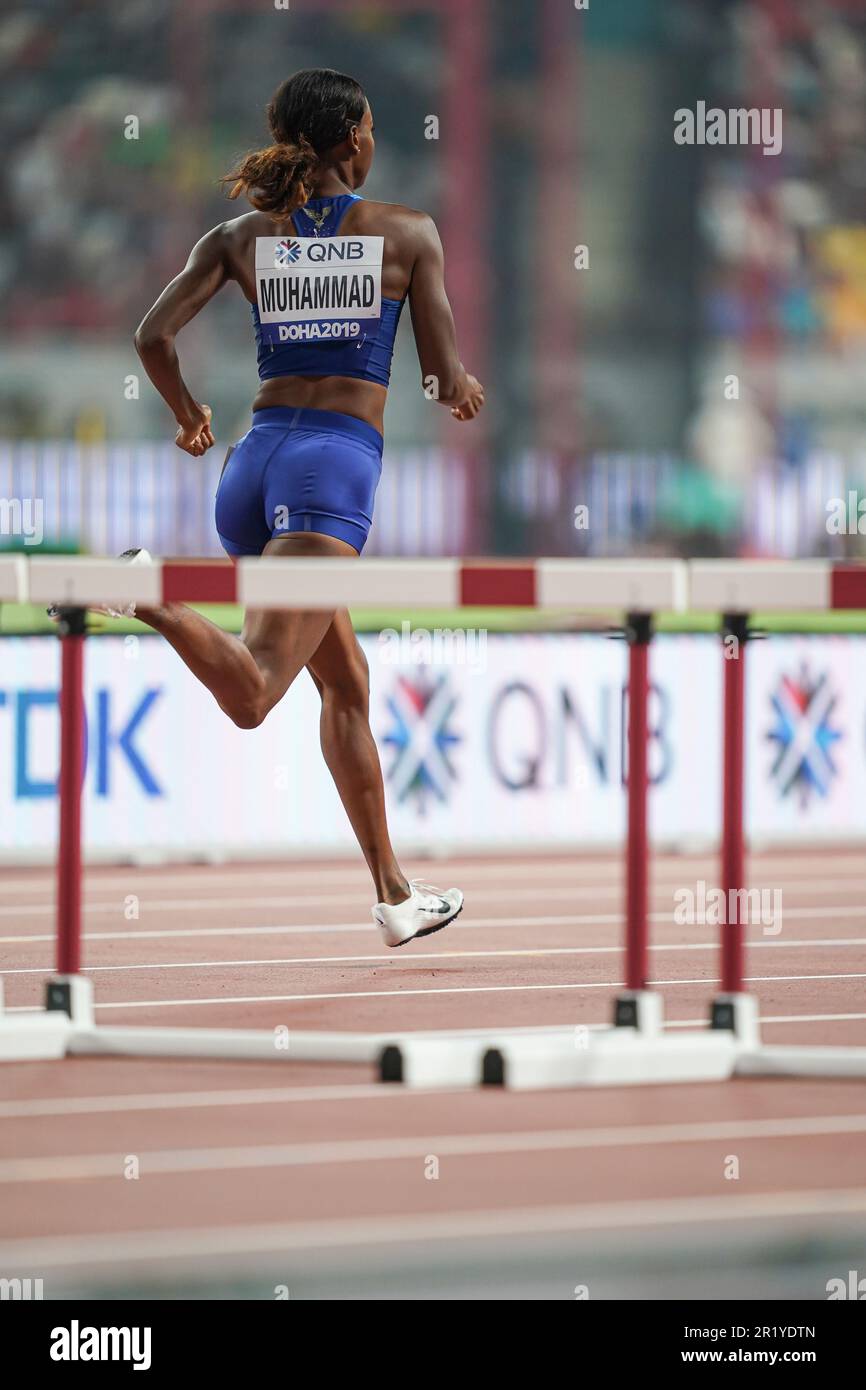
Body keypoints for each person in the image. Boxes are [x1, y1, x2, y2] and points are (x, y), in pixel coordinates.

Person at [131, 68, 484, 946]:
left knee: (346, 683)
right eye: (368, 130)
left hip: (254, 468)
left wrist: (188, 416)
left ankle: (394, 893)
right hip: (330, 472)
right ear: (350, 140)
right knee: (255, 694)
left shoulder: (243, 236)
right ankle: (148, 595)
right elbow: (441, 378)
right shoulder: (405, 233)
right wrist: (464, 390)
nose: (374, 143)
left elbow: (152, 335)